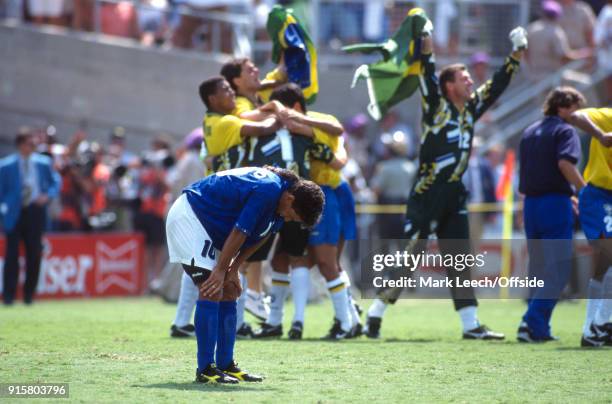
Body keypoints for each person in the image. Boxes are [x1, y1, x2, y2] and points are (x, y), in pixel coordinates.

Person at [364, 23, 528, 340]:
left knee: (459, 255)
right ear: (449, 86)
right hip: (427, 194)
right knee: (411, 255)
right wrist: (425, 38)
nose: (471, 82)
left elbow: (497, 85)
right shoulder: (436, 108)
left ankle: (471, 325)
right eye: (465, 78)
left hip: (454, 193)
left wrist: (516, 53)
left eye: (470, 78)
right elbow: (427, 73)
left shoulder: (470, 110)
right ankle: (375, 311)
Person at [165, 165, 324, 383]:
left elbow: (261, 237)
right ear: (289, 199)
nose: (288, 219)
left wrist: (233, 270)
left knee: (230, 289)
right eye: (293, 215)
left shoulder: (281, 197)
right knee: (211, 289)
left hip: (207, 225)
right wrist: (221, 270)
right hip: (190, 216)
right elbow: (241, 230)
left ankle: (225, 364)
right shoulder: (269, 189)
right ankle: (205, 369)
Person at [169, 76, 281, 338]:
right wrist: (278, 113)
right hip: (225, 204)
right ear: (212, 99)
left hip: (214, 201)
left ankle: (182, 321)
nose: (231, 94)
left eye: (232, 89)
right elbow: (264, 128)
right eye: (226, 90)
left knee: (199, 262)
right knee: (227, 264)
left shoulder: (212, 121)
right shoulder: (227, 121)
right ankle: (235, 323)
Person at [516, 87, 587, 342]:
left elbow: (528, 172)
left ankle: (537, 329)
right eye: (577, 110)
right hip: (554, 204)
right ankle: (531, 321)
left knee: (537, 269)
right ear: (564, 107)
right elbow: (565, 163)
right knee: (558, 269)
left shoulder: (529, 131)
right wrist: (583, 192)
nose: (579, 116)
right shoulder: (565, 131)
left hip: (531, 205)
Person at [566, 107, 612, 347]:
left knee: (605, 263)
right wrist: (600, 134)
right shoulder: (607, 116)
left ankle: (595, 328)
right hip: (600, 195)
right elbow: (576, 116)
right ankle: (598, 325)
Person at [0, 129, 61, 305]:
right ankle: (9, 297)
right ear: (20, 144)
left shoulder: (43, 163)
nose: (33, 146)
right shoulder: (6, 166)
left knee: (34, 254)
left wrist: (47, 196)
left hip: (35, 212)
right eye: (29, 143)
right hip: (14, 213)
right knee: (11, 256)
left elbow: (55, 182)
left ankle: (29, 296)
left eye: (34, 143)